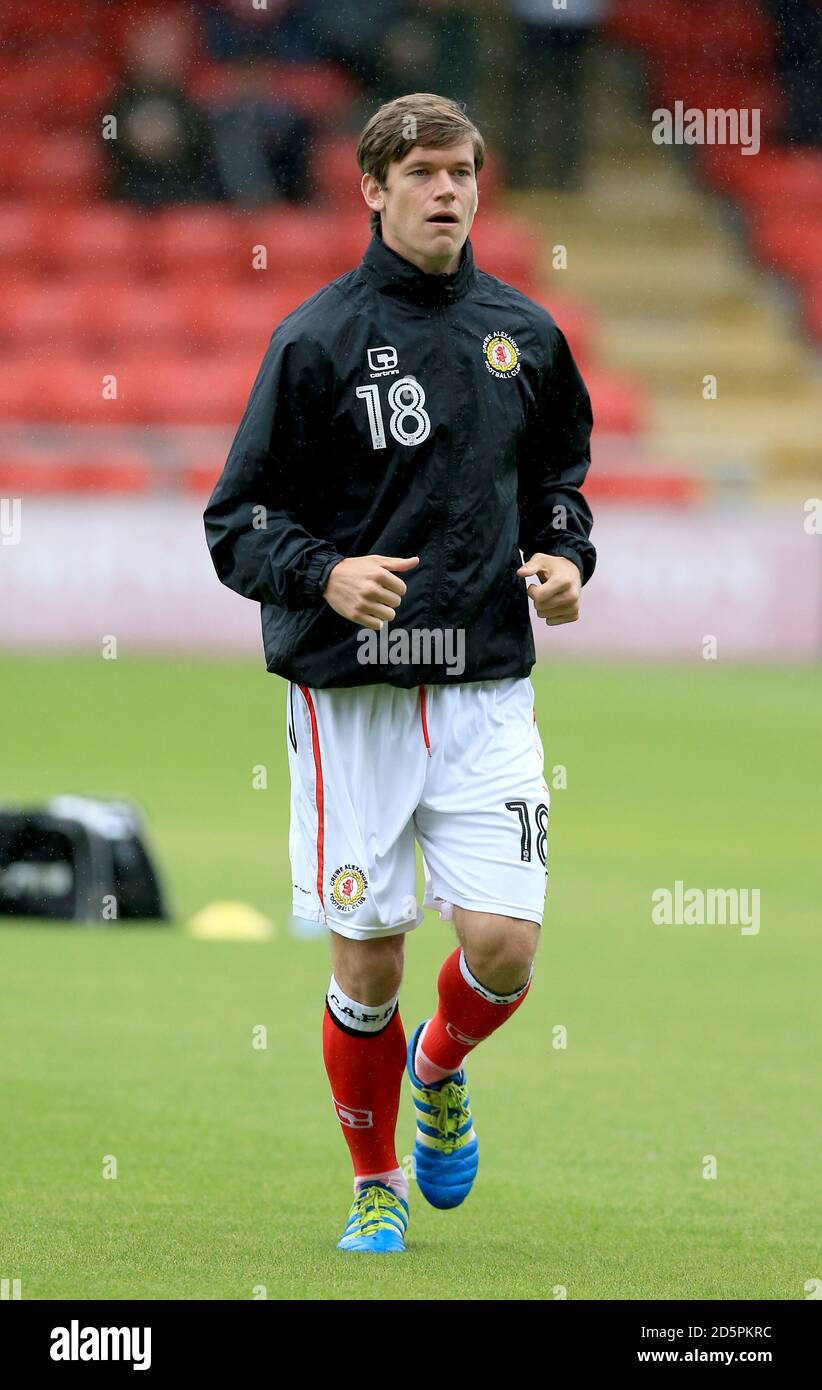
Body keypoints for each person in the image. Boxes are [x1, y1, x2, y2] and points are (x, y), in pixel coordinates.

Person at [203, 92, 595, 1253]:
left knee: (504, 948)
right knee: (368, 966)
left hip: (484, 689)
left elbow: (559, 484)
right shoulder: (314, 340)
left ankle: (440, 1064)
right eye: (421, 172)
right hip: (351, 702)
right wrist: (324, 576)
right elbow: (236, 523)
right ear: (372, 189)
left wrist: (567, 558)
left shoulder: (526, 332)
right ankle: (375, 1182)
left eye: (462, 170)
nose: (447, 190)